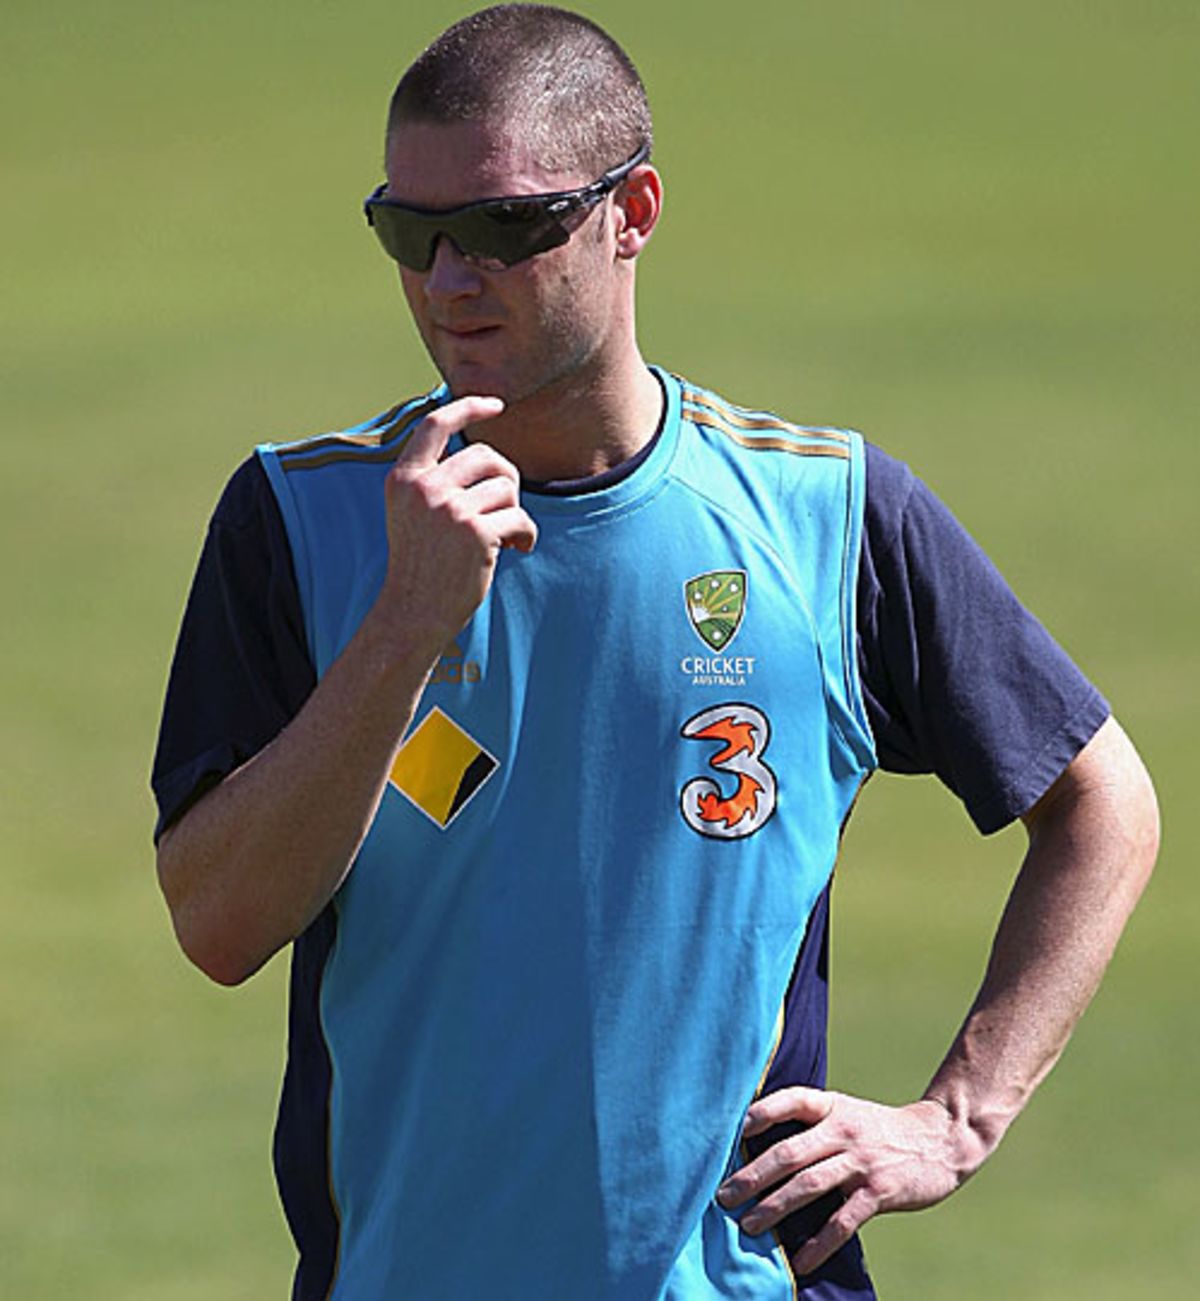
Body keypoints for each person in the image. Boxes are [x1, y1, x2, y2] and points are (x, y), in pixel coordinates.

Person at [151, 6, 1158, 1298]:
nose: (451, 276)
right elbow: (221, 923)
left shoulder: (827, 515)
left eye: (509, 227)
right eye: (412, 231)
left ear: (633, 211)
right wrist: (404, 626)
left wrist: (957, 1116)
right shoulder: (300, 518)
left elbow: (1103, 803)